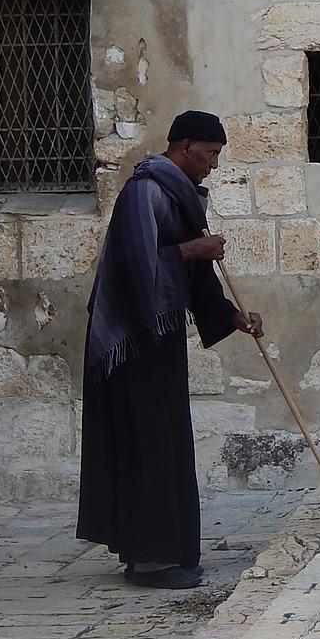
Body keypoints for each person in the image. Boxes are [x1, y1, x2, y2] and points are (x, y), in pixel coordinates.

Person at [77, 110, 264, 590]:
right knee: (148, 445)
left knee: (168, 443)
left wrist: (232, 317)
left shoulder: (180, 196)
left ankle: (169, 552)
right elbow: (135, 264)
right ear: (185, 147)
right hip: (131, 341)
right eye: (211, 154)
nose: (214, 166)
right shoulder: (145, 191)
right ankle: (149, 561)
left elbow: (194, 280)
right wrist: (191, 251)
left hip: (158, 339)